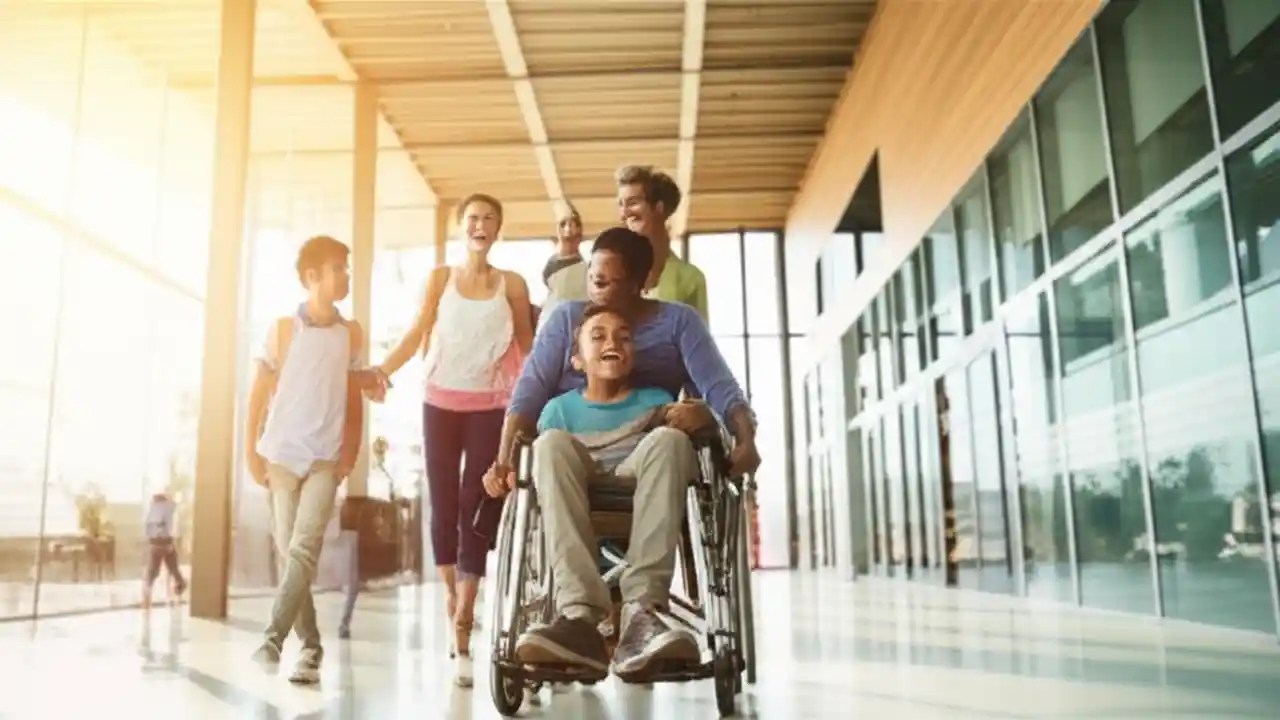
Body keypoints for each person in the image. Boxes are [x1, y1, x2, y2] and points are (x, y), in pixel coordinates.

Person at [482, 226, 760, 682]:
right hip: (576, 456)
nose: (597, 289)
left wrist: (739, 435)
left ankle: (643, 610)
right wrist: (504, 460)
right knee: (549, 445)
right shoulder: (569, 324)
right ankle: (578, 617)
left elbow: (721, 388)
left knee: (672, 441)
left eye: (609, 281)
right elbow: (527, 397)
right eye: (593, 279)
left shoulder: (677, 325)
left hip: (647, 455)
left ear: (641, 281)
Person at [375, 193, 534, 687]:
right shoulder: (440, 278)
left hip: (490, 405)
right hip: (438, 402)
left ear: (498, 228)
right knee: (443, 503)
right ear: (461, 227)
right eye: (473, 218)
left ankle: (466, 607)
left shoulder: (513, 284)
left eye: (489, 218)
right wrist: (384, 368)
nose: (480, 224)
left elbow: (528, 348)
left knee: (476, 501)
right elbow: (418, 329)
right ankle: (451, 592)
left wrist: (545, 399)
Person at [245, 234, 377, 685]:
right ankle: (312, 647)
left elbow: (356, 396)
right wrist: (250, 453)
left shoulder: (351, 333)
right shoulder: (283, 330)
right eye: (338, 268)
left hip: (325, 459)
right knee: (290, 553)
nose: (345, 276)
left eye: (347, 267)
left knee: (302, 549)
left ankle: (272, 640)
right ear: (311, 277)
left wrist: (349, 456)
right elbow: (258, 395)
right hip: (280, 456)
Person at [615, 165, 708, 321]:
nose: (624, 213)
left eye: (633, 203)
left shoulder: (690, 279)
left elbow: (698, 342)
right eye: (621, 204)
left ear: (659, 208)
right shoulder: (613, 271)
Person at [540, 200, 588, 327]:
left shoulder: (585, 270)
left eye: (574, 224)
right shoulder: (551, 263)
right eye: (563, 224)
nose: (568, 229)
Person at [141, 488, 185, 610]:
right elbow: (171, 527)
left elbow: (146, 529)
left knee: (152, 572)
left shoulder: (151, 509)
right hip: (166, 543)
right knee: (173, 568)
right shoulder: (168, 508)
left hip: (155, 544)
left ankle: (147, 597)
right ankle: (178, 589)